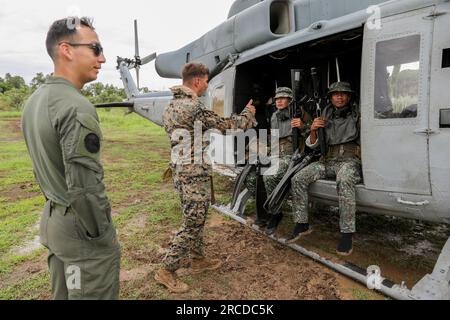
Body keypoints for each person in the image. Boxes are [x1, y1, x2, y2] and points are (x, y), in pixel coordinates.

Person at [21, 17, 120, 299]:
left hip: (55, 219)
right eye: (96, 48)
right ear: (66, 50)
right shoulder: (76, 106)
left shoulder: (36, 100)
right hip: (80, 229)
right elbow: (85, 188)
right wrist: (102, 234)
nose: (103, 58)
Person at [155, 62, 257, 293]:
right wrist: (247, 113)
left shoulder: (171, 105)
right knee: (193, 222)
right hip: (193, 173)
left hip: (181, 171)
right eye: (207, 81)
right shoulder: (194, 107)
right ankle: (166, 270)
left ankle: (198, 260)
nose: (207, 86)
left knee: (196, 217)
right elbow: (229, 125)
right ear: (198, 81)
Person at [289, 82, 361, 255]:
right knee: (297, 178)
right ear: (330, 97)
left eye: (343, 94)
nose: (340, 97)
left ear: (349, 97)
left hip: (348, 160)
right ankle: (302, 223)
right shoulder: (324, 115)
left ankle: (346, 234)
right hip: (327, 160)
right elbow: (312, 145)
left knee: (344, 180)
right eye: (336, 94)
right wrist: (313, 129)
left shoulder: (357, 114)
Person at [244, 87, 311, 233]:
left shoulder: (300, 114)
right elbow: (274, 139)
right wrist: (264, 148)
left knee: (269, 176)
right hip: (276, 154)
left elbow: (313, 139)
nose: (279, 101)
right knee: (250, 177)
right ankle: (266, 211)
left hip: (293, 156)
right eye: (277, 99)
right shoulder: (275, 116)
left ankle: (275, 214)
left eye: (283, 98)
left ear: (290, 100)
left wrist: (303, 126)